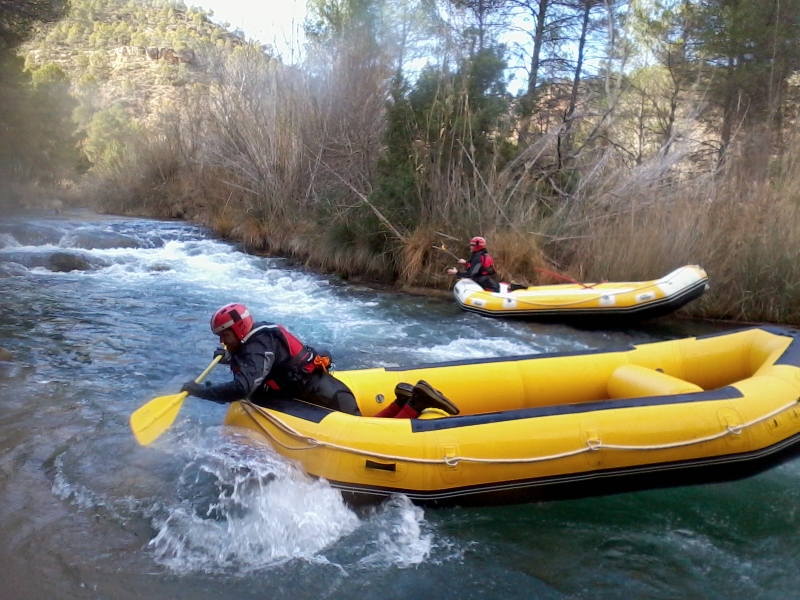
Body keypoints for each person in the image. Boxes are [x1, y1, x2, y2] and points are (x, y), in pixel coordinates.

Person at [180, 303, 459, 418]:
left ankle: (415, 403)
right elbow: (262, 364)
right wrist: (229, 356)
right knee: (367, 425)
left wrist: (201, 391)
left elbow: (243, 387)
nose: (222, 341)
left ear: (239, 329)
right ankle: (401, 400)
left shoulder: (257, 345)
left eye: (224, 336)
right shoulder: (254, 339)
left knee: (369, 431)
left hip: (327, 398)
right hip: (318, 388)